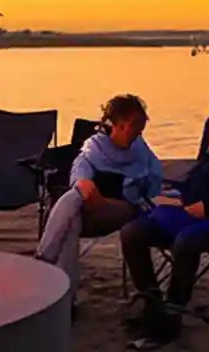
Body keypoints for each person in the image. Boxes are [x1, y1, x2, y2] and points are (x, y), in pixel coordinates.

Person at [121, 101, 209, 346]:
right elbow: (189, 189)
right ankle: (152, 301)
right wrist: (173, 199)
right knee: (132, 232)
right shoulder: (208, 159)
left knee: (187, 241)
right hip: (185, 215)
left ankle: (174, 312)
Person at [36, 93, 162, 311]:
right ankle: (67, 301)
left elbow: (154, 182)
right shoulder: (95, 147)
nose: (135, 132)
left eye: (139, 126)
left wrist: (133, 187)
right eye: (131, 126)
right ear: (117, 124)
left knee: (72, 203)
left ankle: (43, 259)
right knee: (73, 217)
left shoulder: (140, 150)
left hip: (127, 209)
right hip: (94, 211)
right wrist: (85, 185)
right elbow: (79, 169)